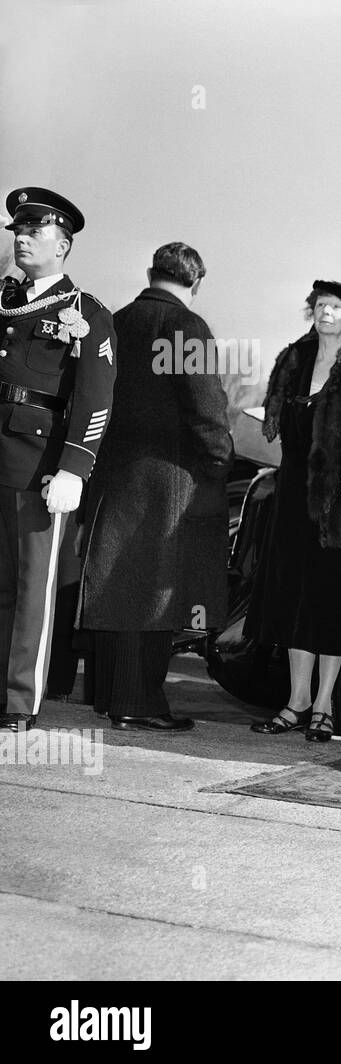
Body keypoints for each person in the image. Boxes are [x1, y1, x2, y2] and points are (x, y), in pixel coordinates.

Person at [79, 244, 232, 731]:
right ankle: (139, 703)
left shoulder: (116, 322)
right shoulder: (185, 326)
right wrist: (219, 459)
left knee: (115, 585)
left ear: (150, 273)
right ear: (197, 282)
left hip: (111, 473)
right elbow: (204, 404)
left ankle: (107, 696)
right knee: (153, 597)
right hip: (168, 479)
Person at [0, 188, 116, 732]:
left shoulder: (84, 313)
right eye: (17, 230)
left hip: (38, 464)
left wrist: (74, 468)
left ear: (63, 244)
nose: (21, 238)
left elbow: (96, 398)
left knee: (32, 590)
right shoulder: (5, 302)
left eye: (34, 231)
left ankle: (19, 702)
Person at [247, 280, 341, 742]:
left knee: (332, 599)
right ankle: (296, 701)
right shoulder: (295, 358)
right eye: (321, 305)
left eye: (337, 307)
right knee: (294, 596)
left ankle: (324, 705)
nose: (326, 313)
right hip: (295, 493)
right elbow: (277, 424)